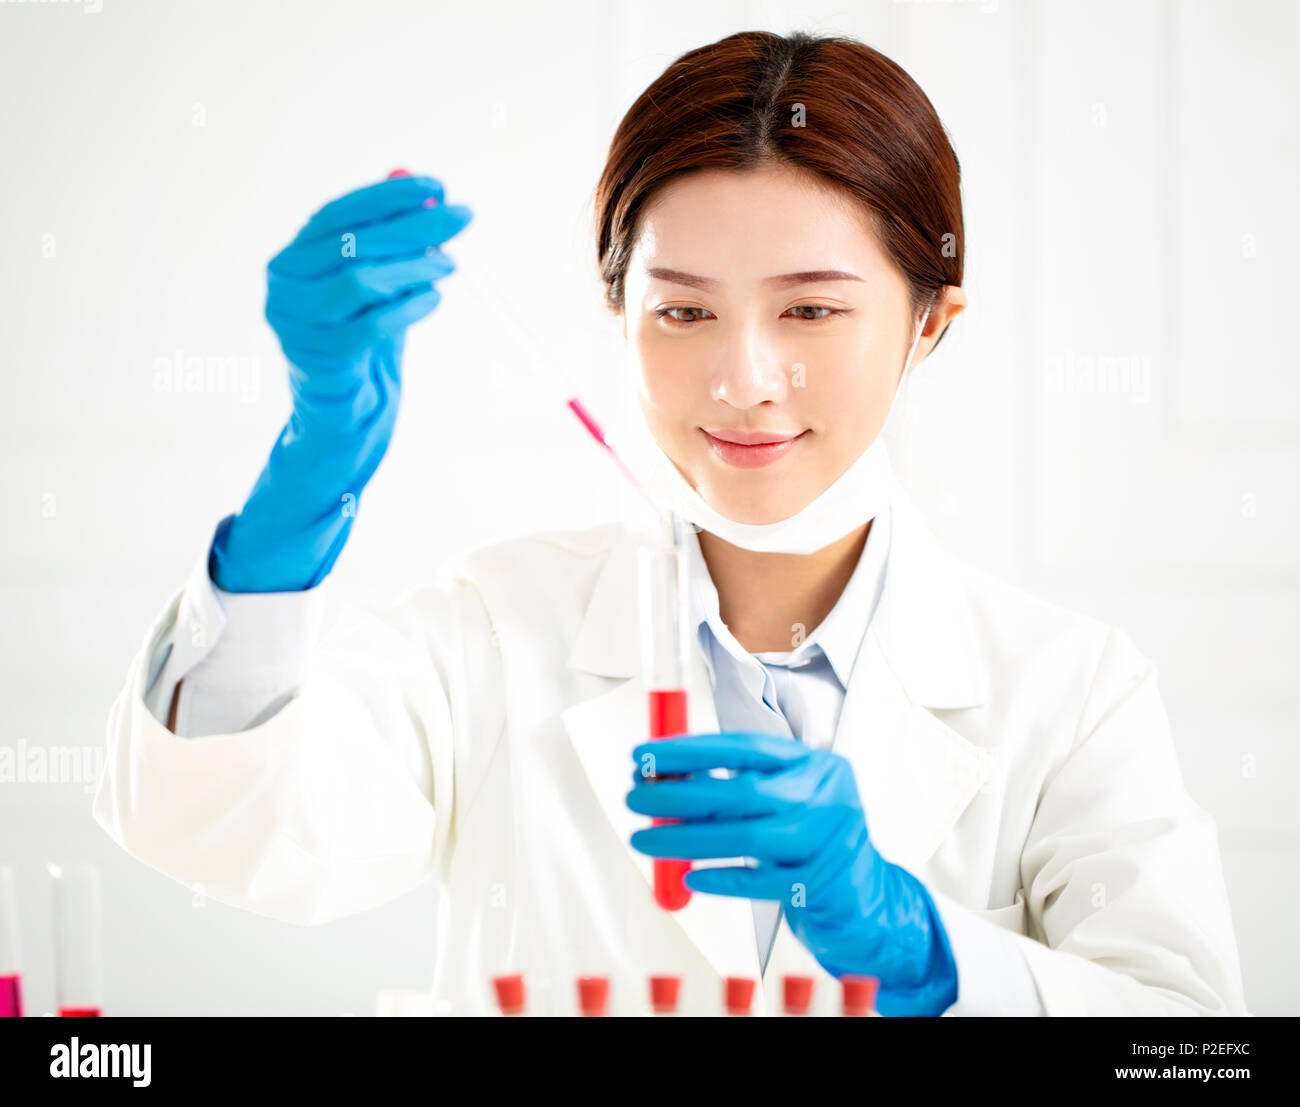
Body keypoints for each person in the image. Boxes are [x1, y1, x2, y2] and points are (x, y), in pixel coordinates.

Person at [94, 29, 1247, 1017]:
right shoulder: (489, 632)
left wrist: (928, 953)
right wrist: (307, 486)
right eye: (682, 310)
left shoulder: (1069, 694)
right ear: (616, 310)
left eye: (810, 309)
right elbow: (225, 824)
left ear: (931, 322)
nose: (742, 379)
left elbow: (1188, 1050)